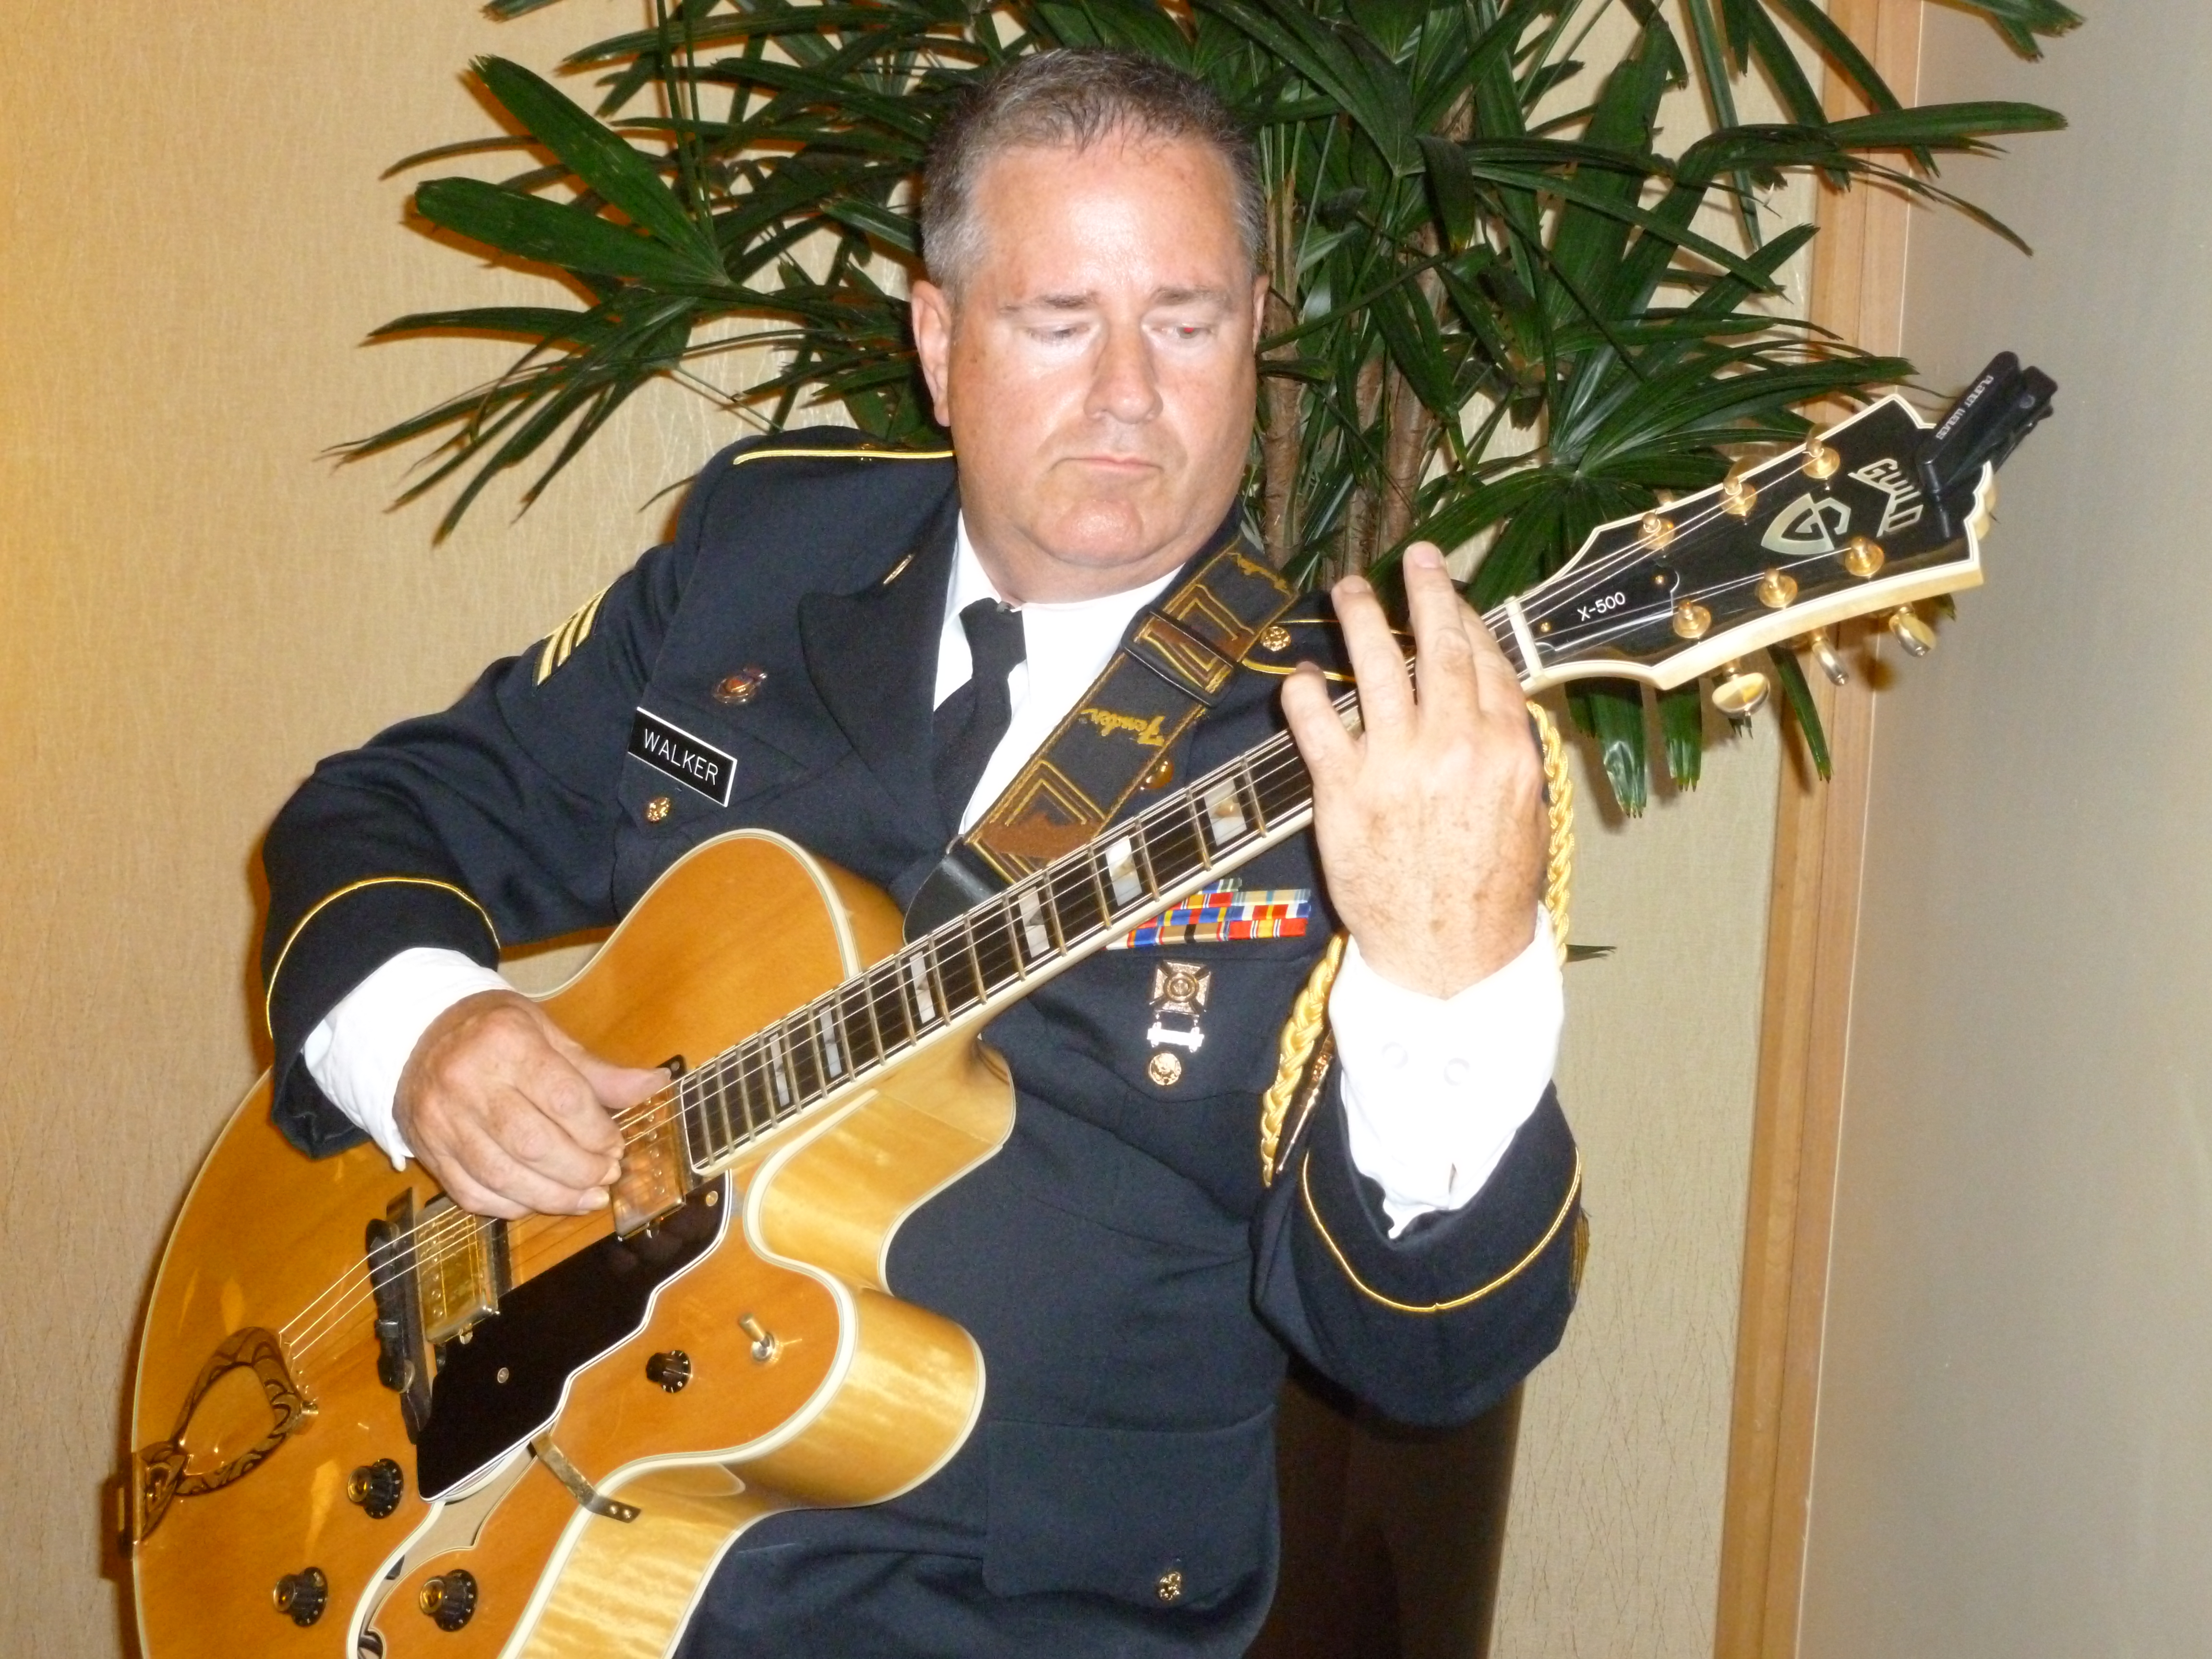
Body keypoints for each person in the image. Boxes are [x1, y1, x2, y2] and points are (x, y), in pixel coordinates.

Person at [259, 49, 1582, 1656]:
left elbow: (1430, 1358)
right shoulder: (766, 553)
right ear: (941, 344)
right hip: (552, 1537)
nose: (1128, 393)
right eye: (1058, 322)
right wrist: (428, 1038)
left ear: (1252, 334)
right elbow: (379, 811)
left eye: (1183, 324)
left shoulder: (1376, 768)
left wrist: (1448, 981)